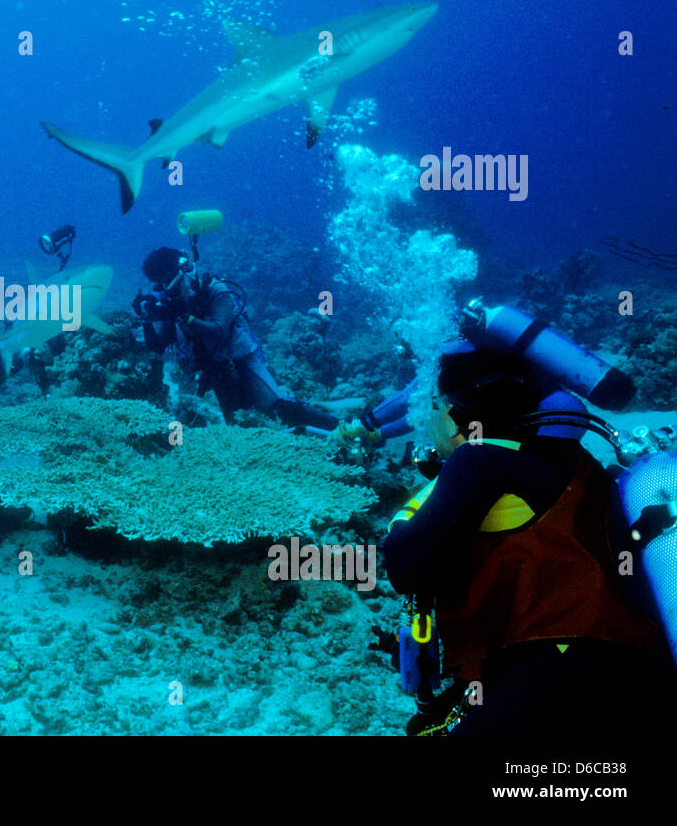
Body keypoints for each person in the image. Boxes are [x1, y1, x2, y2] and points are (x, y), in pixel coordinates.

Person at [380, 346, 674, 735]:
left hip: (565, 672)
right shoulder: (577, 465)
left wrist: (405, 515)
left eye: (432, 407)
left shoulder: (479, 458)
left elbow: (407, 567)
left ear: (452, 419)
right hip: (631, 675)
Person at [132, 247, 337, 429]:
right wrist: (146, 320)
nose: (162, 288)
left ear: (179, 272)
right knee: (238, 425)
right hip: (214, 371)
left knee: (274, 406)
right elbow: (157, 348)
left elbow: (219, 329)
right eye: (157, 284)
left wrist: (186, 316)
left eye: (164, 280)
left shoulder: (214, 289)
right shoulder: (170, 303)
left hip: (239, 360)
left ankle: (336, 428)